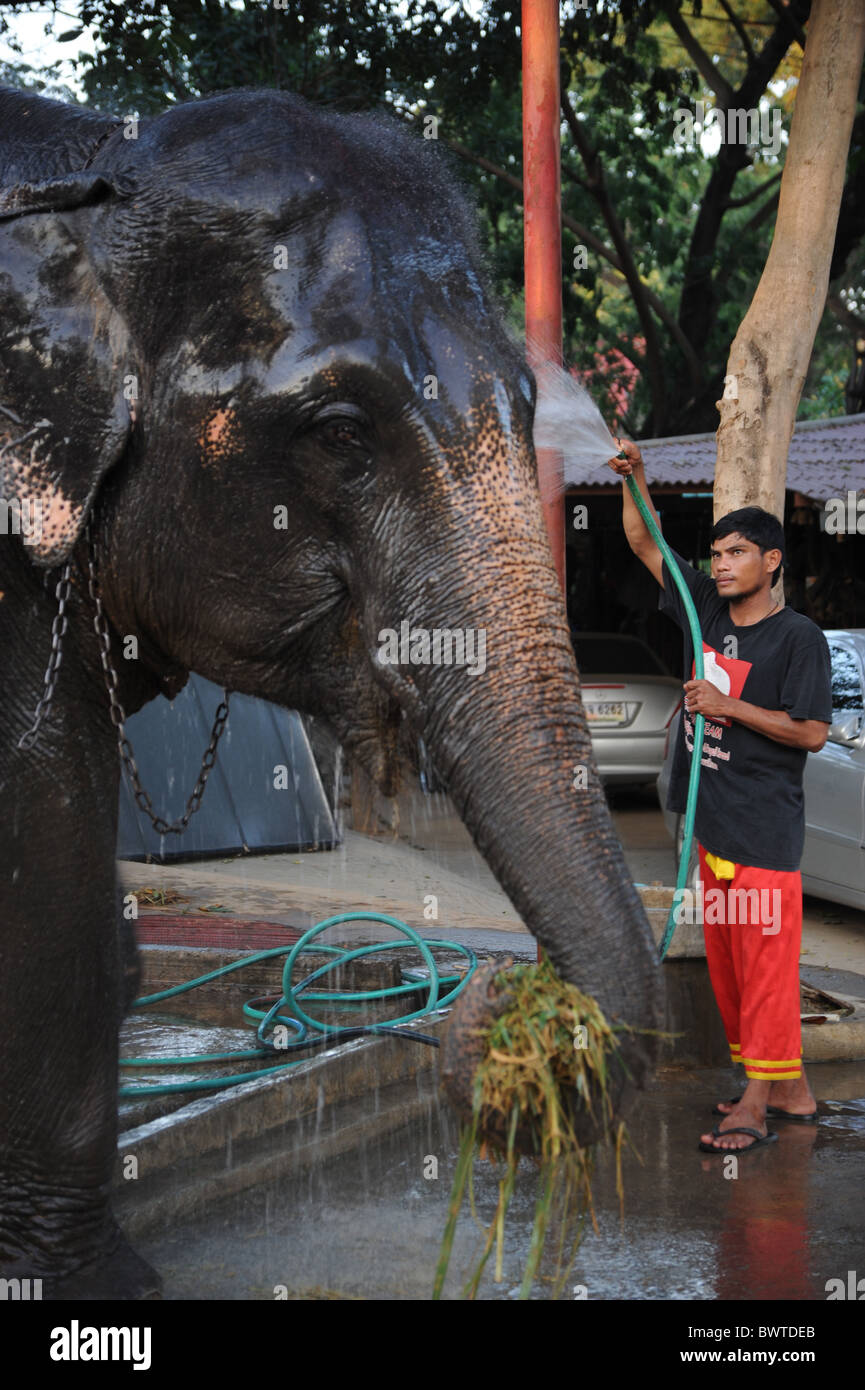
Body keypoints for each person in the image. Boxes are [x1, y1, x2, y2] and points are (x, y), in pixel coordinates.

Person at [608, 440, 833, 1153]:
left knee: (766, 977)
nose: (720, 564)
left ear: (769, 560)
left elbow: (811, 734)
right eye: (715, 553)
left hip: (764, 835)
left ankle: (754, 1108)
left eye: (736, 552)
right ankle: (790, 1091)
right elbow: (644, 541)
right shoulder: (704, 607)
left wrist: (725, 707)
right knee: (732, 975)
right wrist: (635, 478)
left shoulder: (797, 638)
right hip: (711, 829)